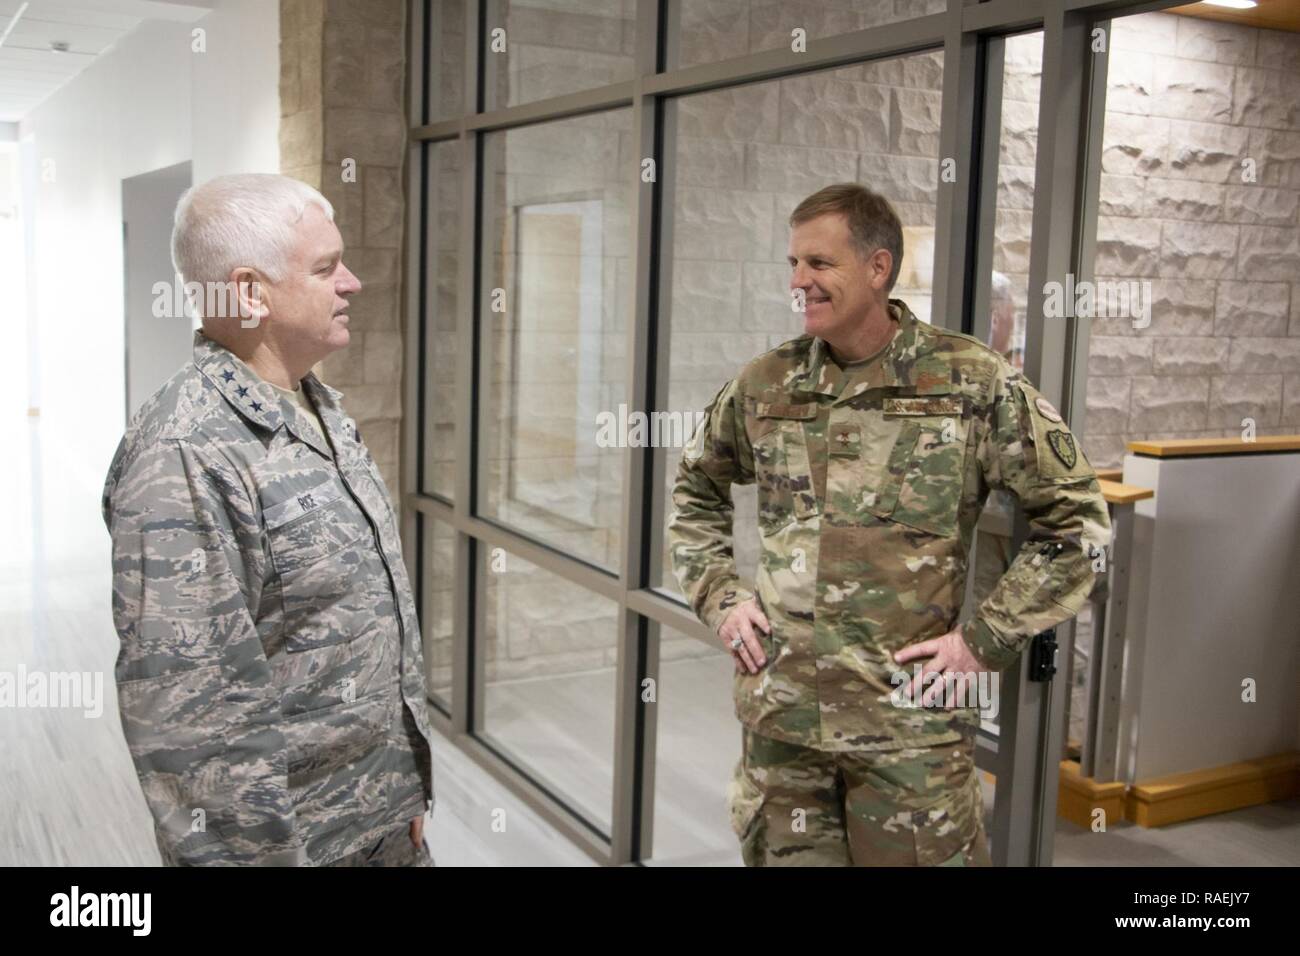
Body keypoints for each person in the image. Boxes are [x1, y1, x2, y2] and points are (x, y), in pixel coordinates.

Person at [667, 182, 1111, 866]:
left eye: (819, 264)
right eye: (792, 263)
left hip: (911, 743)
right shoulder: (767, 384)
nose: (799, 282)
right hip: (784, 732)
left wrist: (982, 641)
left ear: (878, 268)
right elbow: (694, 490)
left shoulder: (970, 383)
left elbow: (1077, 523)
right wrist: (722, 598)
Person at [102, 173, 434, 866]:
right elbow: (194, 728)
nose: (352, 282)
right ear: (251, 292)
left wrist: (399, 798)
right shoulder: (185, 455)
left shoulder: (317, 405)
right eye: (325, 267)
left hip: (378, 822)